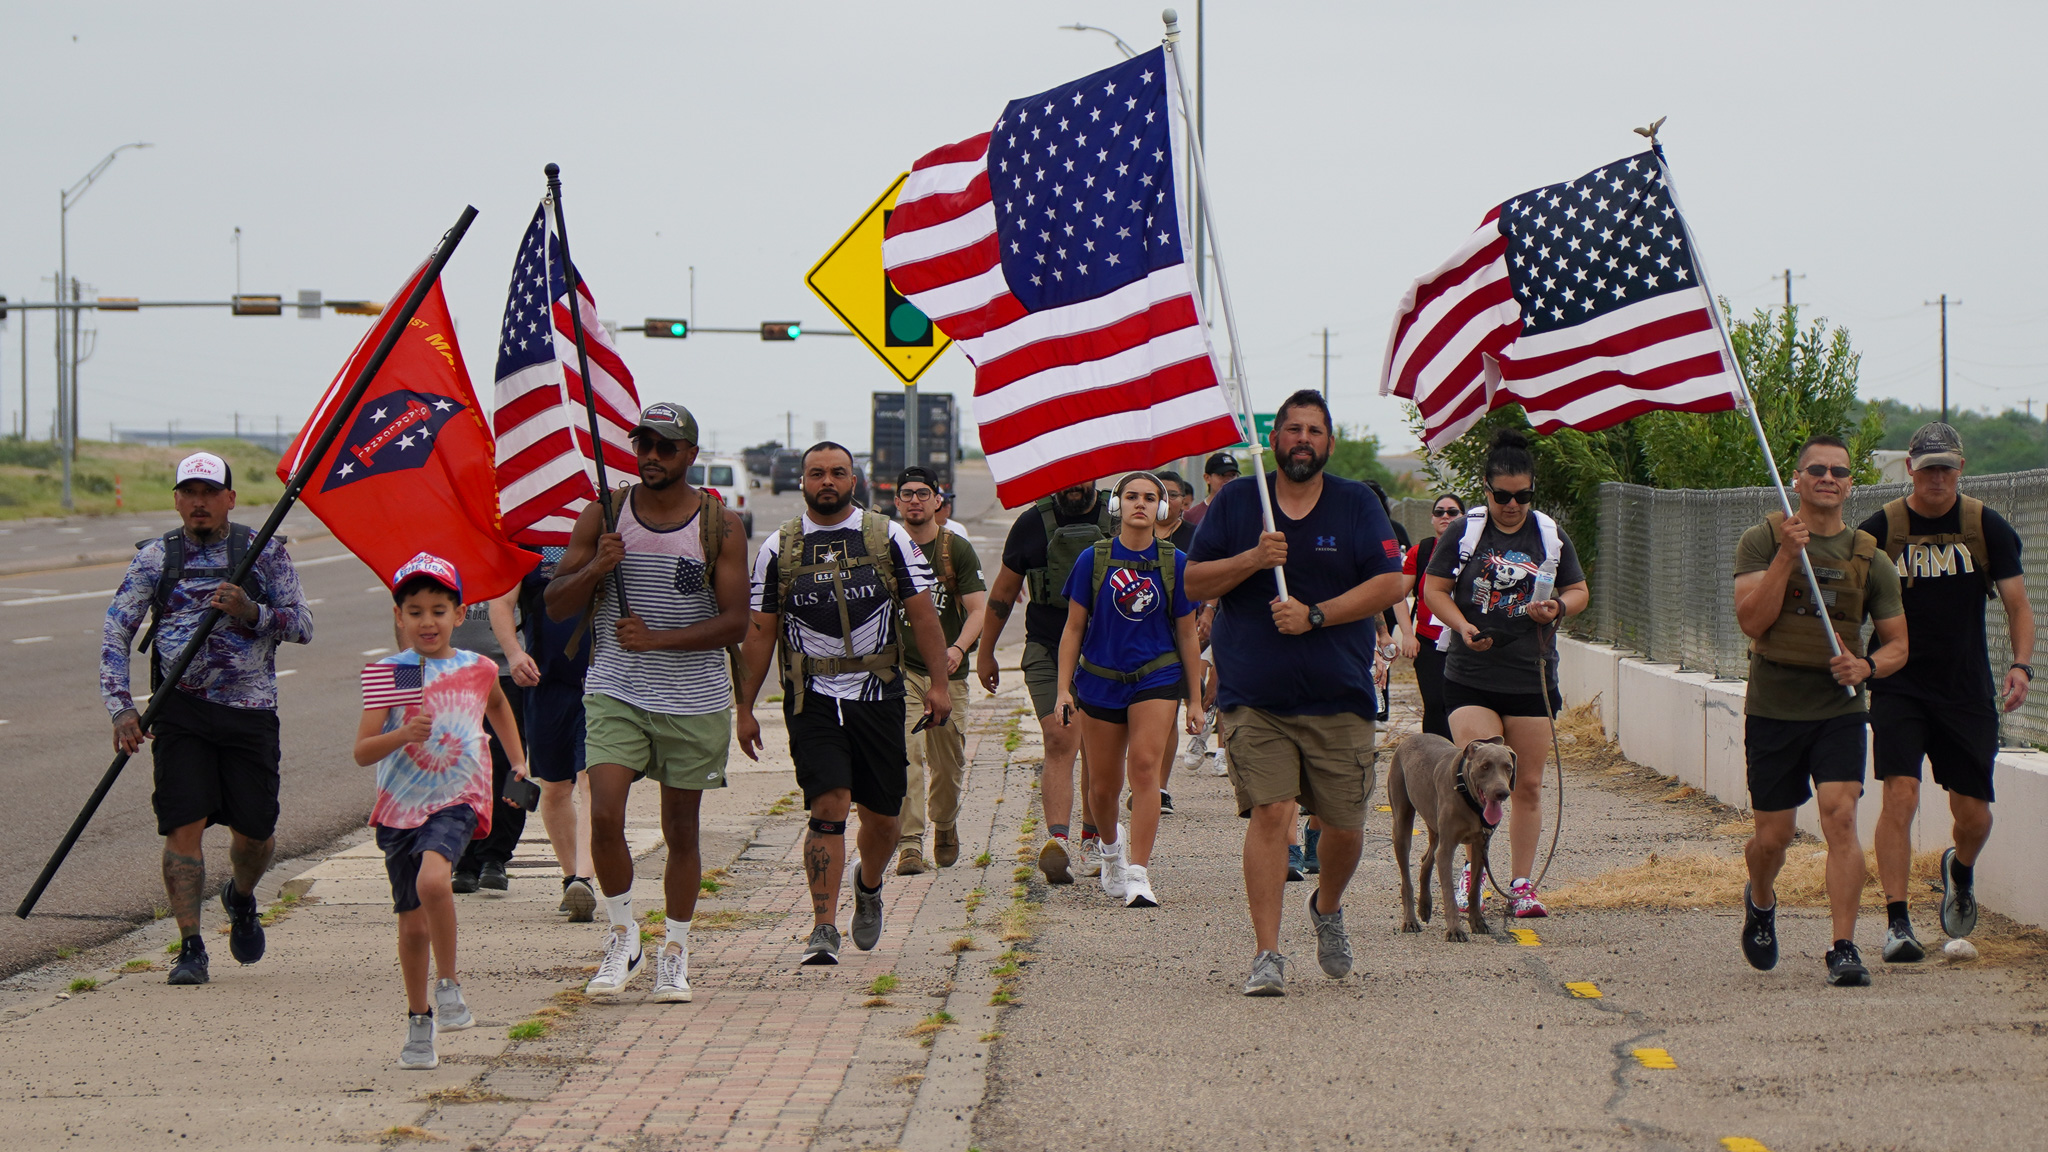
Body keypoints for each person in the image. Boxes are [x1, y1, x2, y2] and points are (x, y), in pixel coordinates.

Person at [1186, 389, 1406, 996]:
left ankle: (1327, 907)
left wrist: (1316, 615)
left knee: (1344, 826)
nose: (1303, 439)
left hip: (1340, 694)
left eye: (1314, 430)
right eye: (1293, 429)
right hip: (1256, 696)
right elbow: (1195, 581)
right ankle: (1267, 954)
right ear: (1274, 439)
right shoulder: (1239, 502)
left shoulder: (1356, 503)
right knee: (1271, 813)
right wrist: (1254, 559)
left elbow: (1391, 582)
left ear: (1329, 443)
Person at [545, 403, 750, 1003]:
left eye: (666, 447)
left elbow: (736, 622)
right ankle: (623, 936)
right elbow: (555, 604)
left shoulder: (719, 525)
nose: (652, 456)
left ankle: (675, 950)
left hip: (694, 697)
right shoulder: (605, 515)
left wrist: (657, 638)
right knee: (605, 815)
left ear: (690, 454)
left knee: (681, 830)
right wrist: (597, 568)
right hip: (618, 688)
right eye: (644, 445)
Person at [101, 451, 314, 987]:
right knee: (183, 825)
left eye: (210, 492)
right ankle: (190, 947)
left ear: (230, 499)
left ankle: (240, 898)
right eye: (189, 492)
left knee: (255, 835)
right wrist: (122, 706)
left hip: (250, 711)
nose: (199, 502)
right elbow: (116, 630)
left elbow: (303, 625)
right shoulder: (156, 558)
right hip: (180, 712)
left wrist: (251, 611)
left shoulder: (263, 553)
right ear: (176, 500)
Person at [737, 443, 953, 965]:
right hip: (810, 696)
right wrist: (744, 707)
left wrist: (939, 684)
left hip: (878, 693)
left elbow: (924, 615)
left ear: (854, 481)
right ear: (803, 481)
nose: (827, 481)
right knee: (829, 804)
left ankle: (869, 884)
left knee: (884, 820)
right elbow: (760, 632)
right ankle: (823, 927)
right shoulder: (779, 547)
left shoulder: (886, 536)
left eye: (837, 473)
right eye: (817, 474)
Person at [1733, 435, 1907, 986]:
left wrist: (1866, 667)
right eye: (1817, 470)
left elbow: (1898, 645)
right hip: (1775, 706)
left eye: (1839, 471)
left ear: (1851, 483)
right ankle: (1761, 899)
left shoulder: (1870, 557)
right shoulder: (1763, 540)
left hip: (1839, 708)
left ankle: (1843, 946)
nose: (1829, 478)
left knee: (1841, 814)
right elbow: (1751, 621)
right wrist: (1788, 556)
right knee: (1773, 838)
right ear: (1798, 479)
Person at [1857, 422, 2029, 960]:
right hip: (1898, 684)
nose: (1937, 478)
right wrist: (1851, 665)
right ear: (1910, 468)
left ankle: (1960, 869)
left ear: (1961, 469)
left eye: (1946, 468)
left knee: (1974, 815)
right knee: (1900, 794)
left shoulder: (1986, 526)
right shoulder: (1880, 529)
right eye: (1928, 467)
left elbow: (2018, 605)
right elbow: (1849, 608)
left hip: (1965, 688)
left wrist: (2021, 666)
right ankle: (1897, 922)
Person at [354, 552, 529, 1070]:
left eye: (438, 610)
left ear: (459, 614)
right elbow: (362, 751)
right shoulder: (390, 674)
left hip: (457, 798)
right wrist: (402, 734)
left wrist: (518, 760)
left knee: (435, 882)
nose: (427, 622)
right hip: (399, 808)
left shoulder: (477, 668)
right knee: (411, 928)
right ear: (399, 617)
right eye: (415, 612)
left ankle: (448, 982)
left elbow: (498, 705)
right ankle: (419, 1019)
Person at [1422, 429, 1589, 920]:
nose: (1512, 505)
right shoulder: (1465, 532)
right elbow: (1434, 589)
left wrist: (1558, 607)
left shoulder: (1549, 534)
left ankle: (1521, 884)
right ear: (1486, 489)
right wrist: (1462, 626)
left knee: (1527, 785)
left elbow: (1579, 590)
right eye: (1502, 496)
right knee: (1477, 780)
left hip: (1530, 675)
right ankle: (1472, 870)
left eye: (1522, 495)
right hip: (1471, 673)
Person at [1055, 472, 1204, 907]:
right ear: (1117, 504)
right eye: (1132, 496)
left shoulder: (1175, 562)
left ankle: (1139, 873)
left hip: (1156, 677)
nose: (1141, 503)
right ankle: (1111, 851)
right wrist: (1063, 689)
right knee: (1102, 787)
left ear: (1162, 507)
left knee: (1144, 769)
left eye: (1150, 498)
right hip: (1100, 679)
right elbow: (1073, 628)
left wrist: (1195, 699)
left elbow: (1187, 634)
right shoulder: (1093, 559)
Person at [978, 481, 1116, 883]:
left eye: (1082, 476)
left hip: (1107, 653)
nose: (1074, 485)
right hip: (1047, 649)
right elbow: (1003, 594)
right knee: (1059, 737)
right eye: (1065, 478)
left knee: (1098, 748)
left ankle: (1093, 839)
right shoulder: (1031, 524)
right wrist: (985, 652)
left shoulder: (1118, 518)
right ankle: (1058, 841)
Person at [893, 467, 988, 874]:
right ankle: (910, 843)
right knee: (906, 757)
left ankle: (945, 824)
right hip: (899, 672)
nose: (915, 500)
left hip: (947, 674)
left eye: (923, 493)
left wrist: (957, 647)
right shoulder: (886, 546)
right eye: (907, 493)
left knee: (947, 764)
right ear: (896, 501)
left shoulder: (955, 549)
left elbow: (979, 610)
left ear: (937, 501)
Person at [521, 545, 598, 921]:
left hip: (598, 681)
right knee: (553, 788)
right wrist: (513, 652)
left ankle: (585, 877)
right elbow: (502, 604)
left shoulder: (600, 536)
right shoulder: (527, 542)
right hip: (545, 683)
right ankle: (571, 878)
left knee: (591, 779)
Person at [450, 585, 536, 895]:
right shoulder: (438, 561)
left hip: (505, 670)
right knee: (461, 765)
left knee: (506, 763)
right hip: (453, 670)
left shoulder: (507, 559)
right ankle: (464, 862)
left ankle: (496, 857)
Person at [1402, 494, 1467, 739]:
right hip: (1429, 641)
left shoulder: (1474, 550)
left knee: (1459, 703)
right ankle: (1434, 754)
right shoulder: (1420, 552)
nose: (1445, 517)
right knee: (1434, 702)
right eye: (1439, 512)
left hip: (1465, 641)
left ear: (1464, 517)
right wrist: (1407, 634)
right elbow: (1396, 595)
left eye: (1452, 512)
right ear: (1432, 518)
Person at [1182, 451, 1240, 528]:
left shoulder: (1246, 510)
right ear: (1207, 478)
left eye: (1232, 475)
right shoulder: (1192, 516)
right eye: (1222, 475)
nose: (1228, 480)